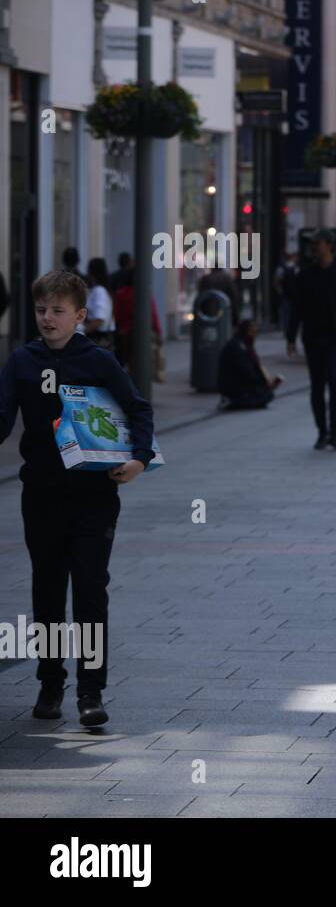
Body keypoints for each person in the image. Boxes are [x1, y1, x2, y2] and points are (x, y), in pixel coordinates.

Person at [0, 271, 155, 728]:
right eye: (41, 310)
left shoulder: (99, 361)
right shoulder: (21, 362)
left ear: (80, 315)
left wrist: (140, 460)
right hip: (42, 494)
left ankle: (91, 691)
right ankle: (51, 683)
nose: (48, 319)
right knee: (47, 592)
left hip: (94, 495)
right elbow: (3, 418)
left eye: (58, 311)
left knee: (90, 590)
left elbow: (137, 408)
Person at [285, 229, 336, 451]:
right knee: (317, 387)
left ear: (329, 245)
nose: (314, 248)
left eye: (318, 243)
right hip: (313, 338)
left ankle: (335, 431)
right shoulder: (306, 274)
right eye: (313, 244)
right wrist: (291, 337)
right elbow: (297, 308)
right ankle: (322, 431)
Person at [111, 266, 162, 382]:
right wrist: (158, 332)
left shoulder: (121, 294)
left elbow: (117, 314)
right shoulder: (145, 294)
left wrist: (119, 329)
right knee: (141, 361)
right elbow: (153, 315)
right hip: (142, 334)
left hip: (125, 333)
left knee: (127, 361)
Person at [218, 318, 280, 410]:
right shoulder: (237, 346)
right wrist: (263, 382)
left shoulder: (244, 344)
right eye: (252, 332)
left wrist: (265, 380)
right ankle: (234, 400)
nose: (254, 335)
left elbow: (253, 366)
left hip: (240, 382)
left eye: (255, 332)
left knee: (266, 393)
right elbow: (246, 370)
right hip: (234, 384)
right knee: (265, 395)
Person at [81, 258, 115, 351]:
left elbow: (99, 319)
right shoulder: (99, 291)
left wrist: (81, 331)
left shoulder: (99, 292)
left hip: (98, 338)